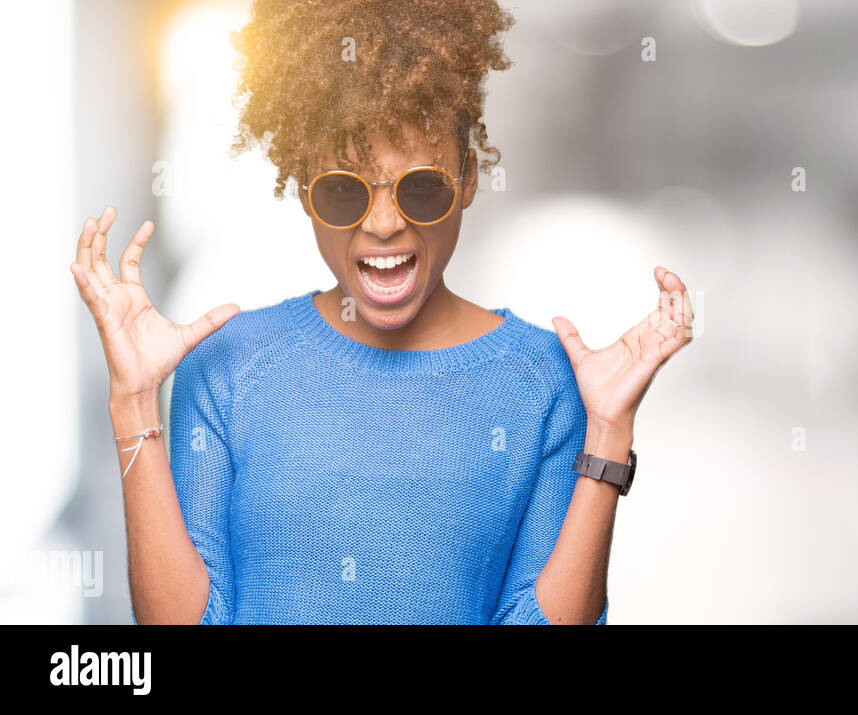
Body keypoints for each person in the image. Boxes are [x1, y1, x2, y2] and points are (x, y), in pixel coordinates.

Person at [68, 0, 692, 624]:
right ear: (303, 189)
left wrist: (608, 429)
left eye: (422, 187)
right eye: (344, 190)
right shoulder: (229, 368)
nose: (386, 224)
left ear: (469, 178)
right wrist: (134, 397)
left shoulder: (544, 381)